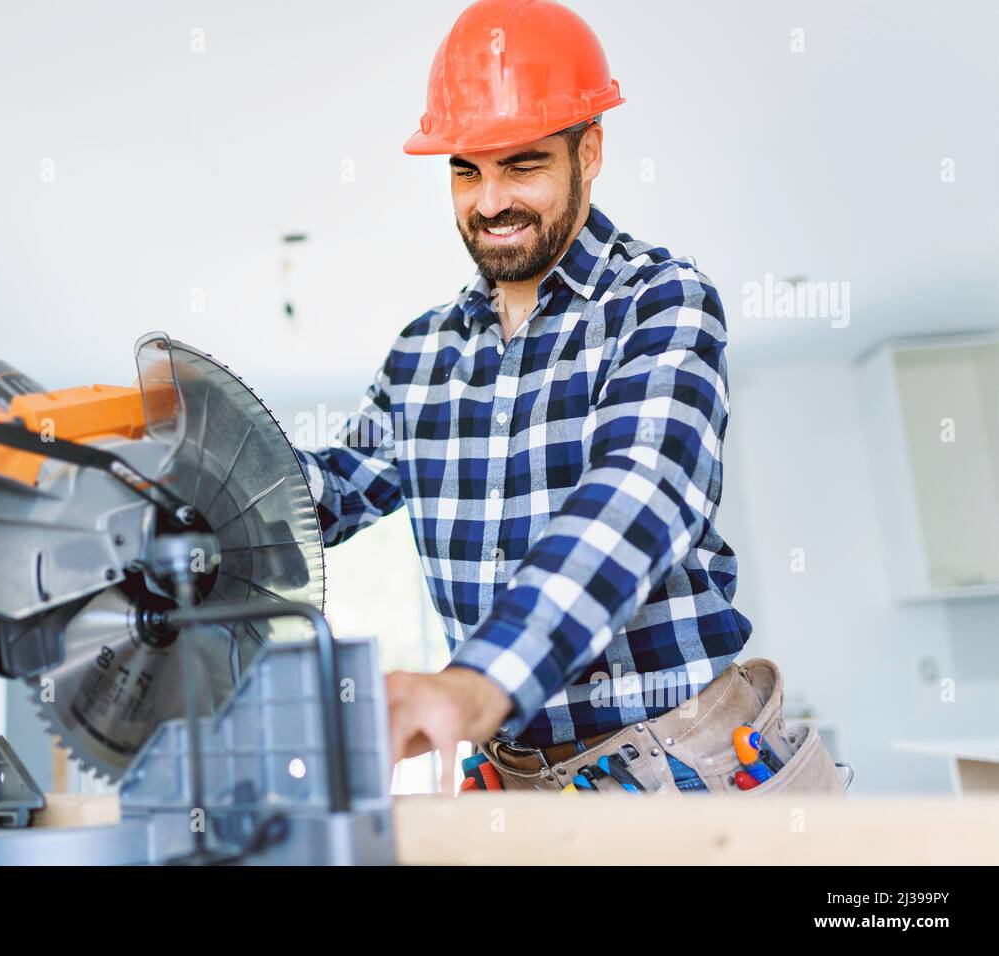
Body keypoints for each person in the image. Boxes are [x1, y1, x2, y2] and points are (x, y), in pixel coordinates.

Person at [294, 0, 845, 795]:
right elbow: (323, 492)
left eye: (522, 165)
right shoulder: (423, 353)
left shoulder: (659, 301)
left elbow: (639, 497)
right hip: (516, 787)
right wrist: (196, 474)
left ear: (589, 149)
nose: (489, 203)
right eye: (464, 169)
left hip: (686, 768)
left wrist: (477, 683)